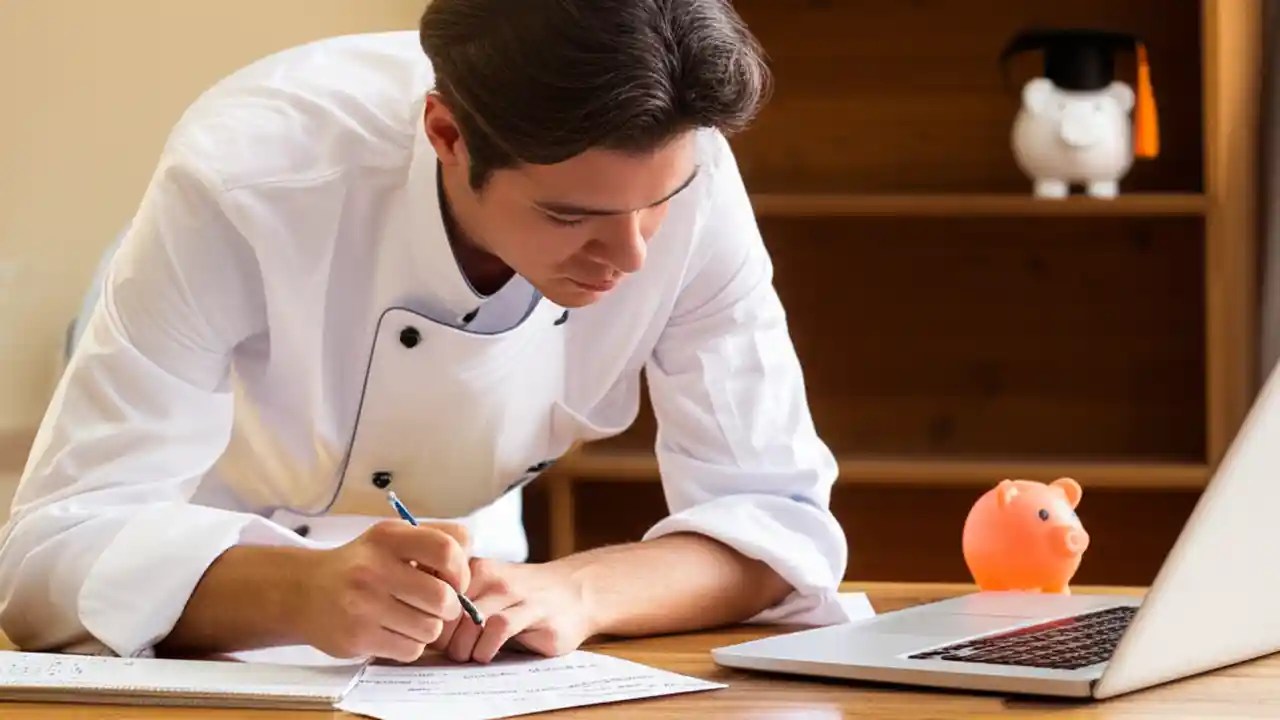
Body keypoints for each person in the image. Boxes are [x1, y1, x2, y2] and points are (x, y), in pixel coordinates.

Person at [0, 0, 848, 665]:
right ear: (445, 134)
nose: (631, 255)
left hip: (471, 562)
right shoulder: (246, 176)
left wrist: (578, 592)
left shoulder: (682, 170)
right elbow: (47, 559)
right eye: (569, 214)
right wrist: (298, 593)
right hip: (213, 545)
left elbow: (779, 522)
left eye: (657, 205)